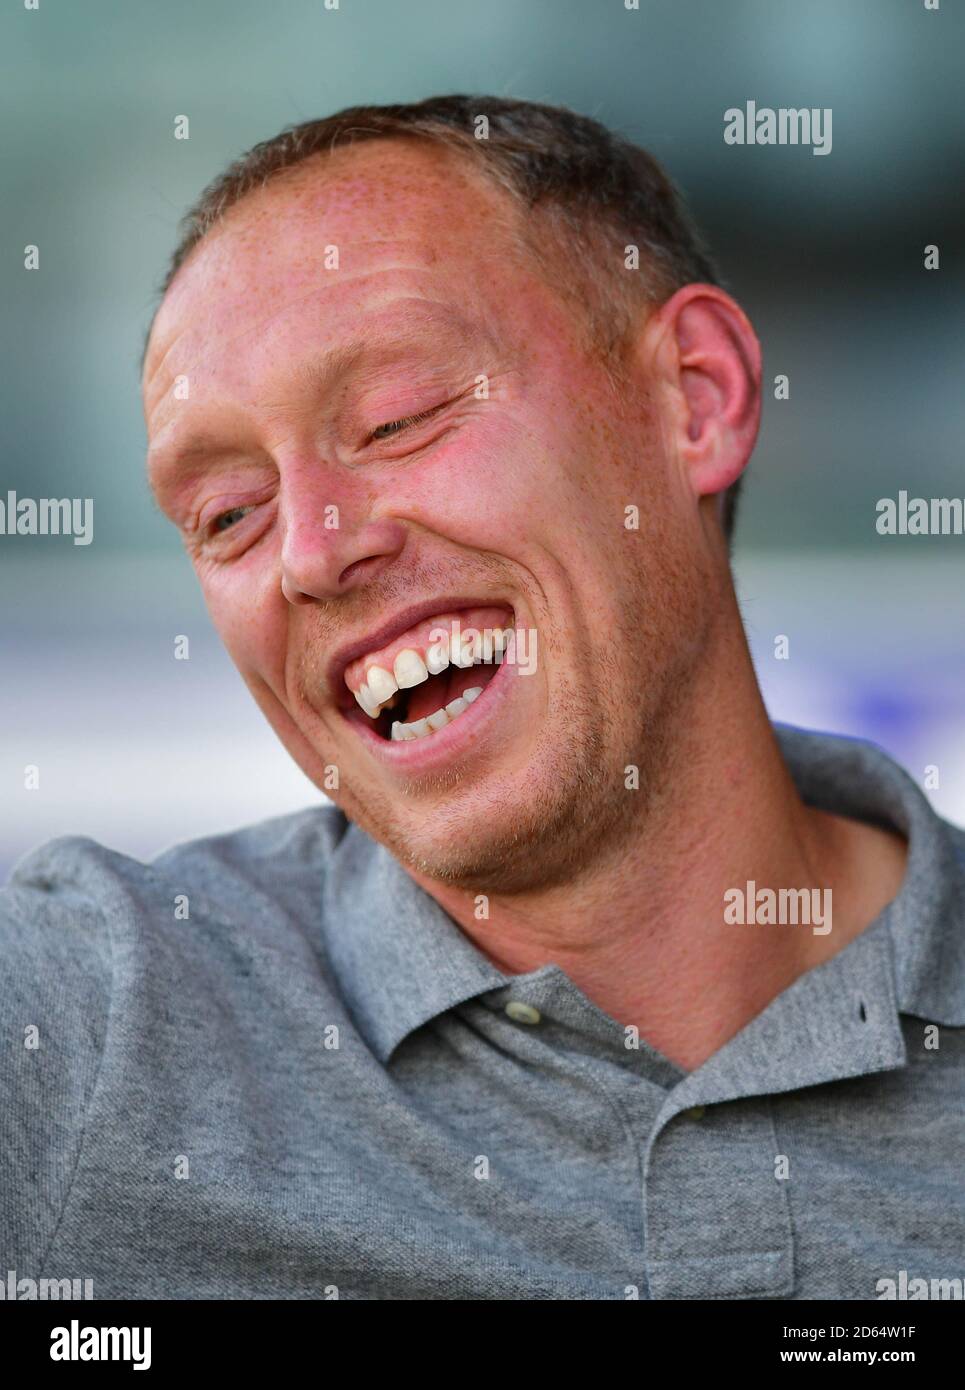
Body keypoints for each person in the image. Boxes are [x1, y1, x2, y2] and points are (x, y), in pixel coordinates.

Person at [3, 97, 962, 1302]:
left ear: (696, 398)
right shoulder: (86, 1009)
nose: (309, 552)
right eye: (228, 514)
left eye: (398, 419)